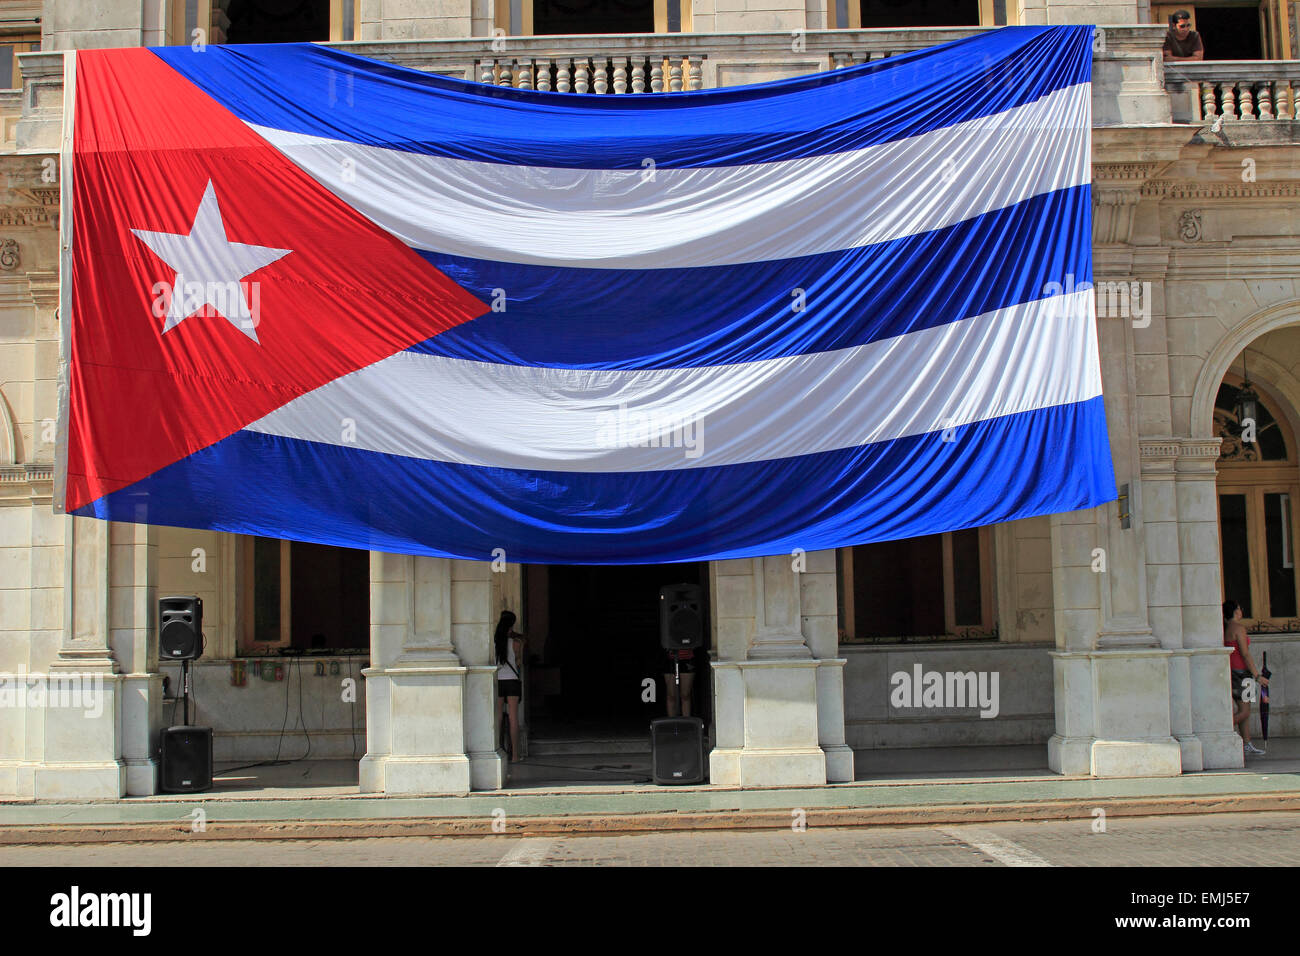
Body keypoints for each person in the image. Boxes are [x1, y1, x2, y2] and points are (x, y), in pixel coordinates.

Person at [1223, 599, 1268, 755]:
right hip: (1242, 673)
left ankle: (1247, 743)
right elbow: (1245, 653)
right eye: (1240, 608)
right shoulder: (1239, 628)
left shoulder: (1227, 628)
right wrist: (1257, 676)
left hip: (1232, 671)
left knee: (1244, 710)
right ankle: (1221, 730)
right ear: (1236, 611)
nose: (1242, 611)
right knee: (1245, 712)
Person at [495, 610, 526, 762]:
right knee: (513, 718)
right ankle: (515, 756)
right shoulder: (516, 643)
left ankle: (499, 749)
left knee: (498, 717)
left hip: (499, 680)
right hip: (512, 680)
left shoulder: (495, 642)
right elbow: (518, 663)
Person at [663, 646, 695, 717]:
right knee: (671, 695)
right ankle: (672, 724)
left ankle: (686, 724)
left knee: (685, 695)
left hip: (687, 658)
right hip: (670, 658)